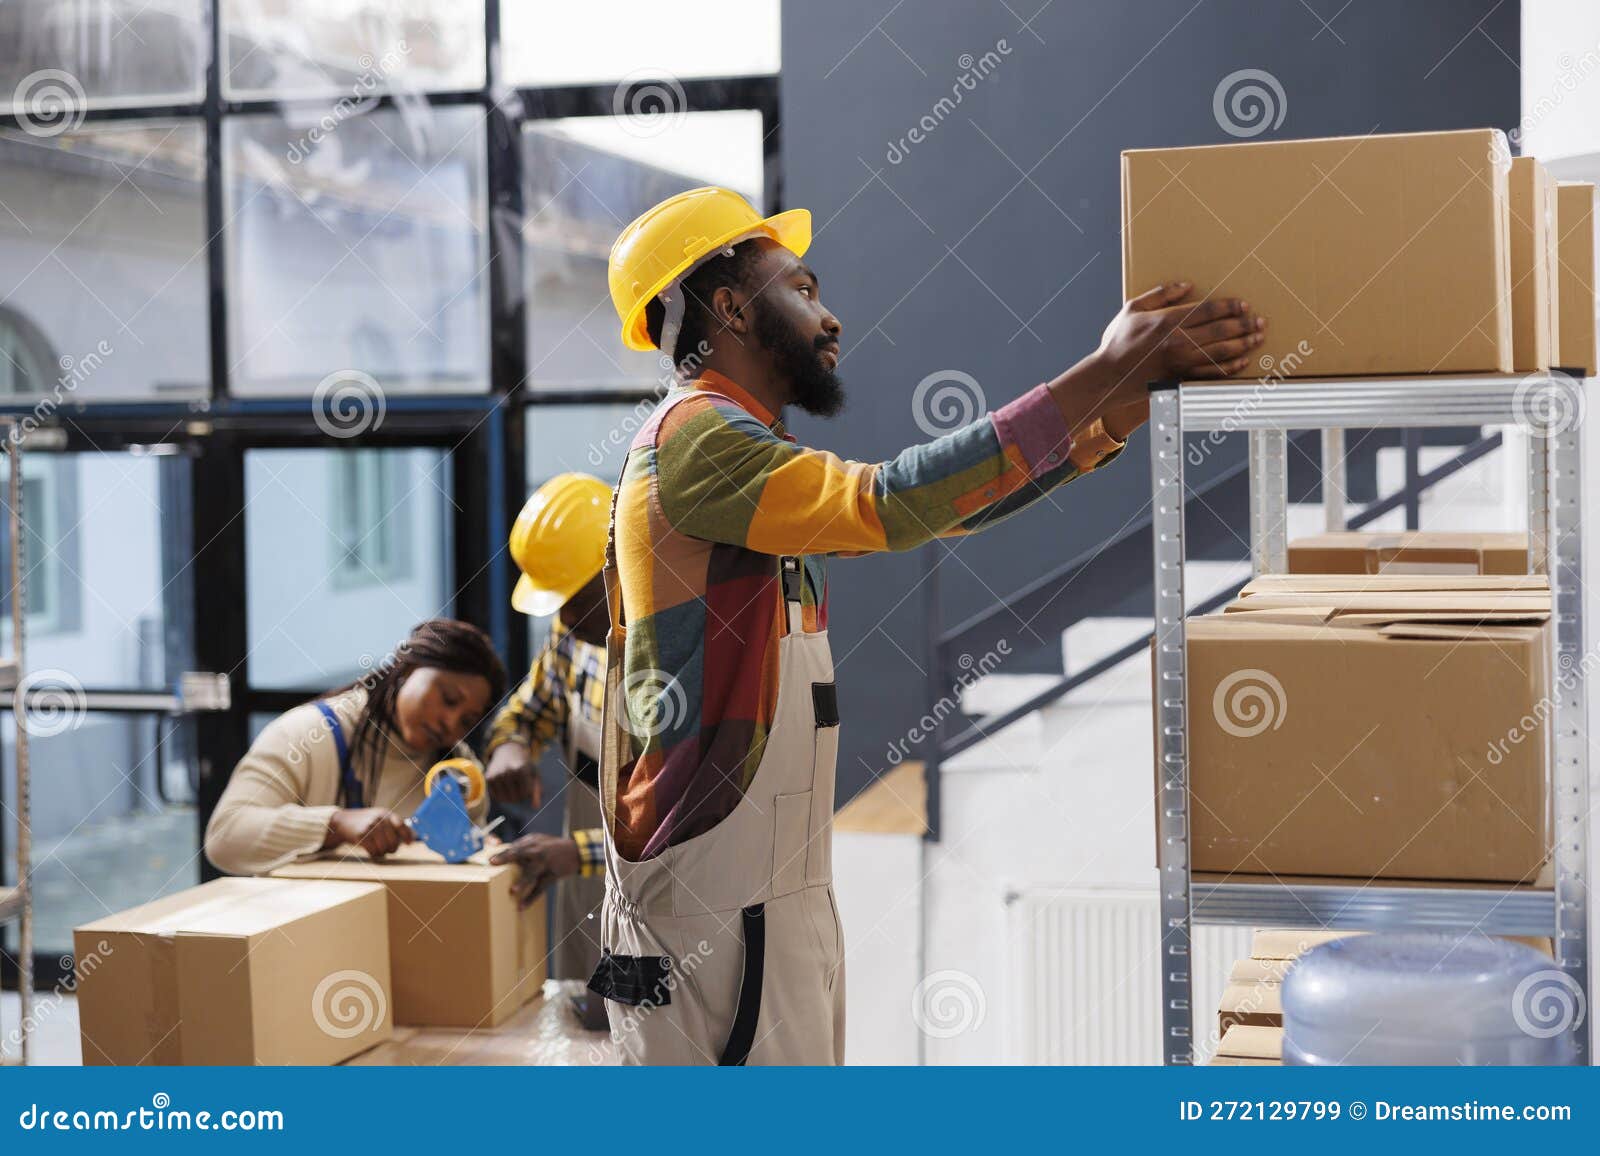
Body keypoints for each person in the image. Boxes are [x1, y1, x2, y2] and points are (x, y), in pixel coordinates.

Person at [590, 186, 1268, 1065]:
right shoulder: (695, 441)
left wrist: (1111, 416)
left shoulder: (746, 459)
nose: (829, 319)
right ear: (727, 307)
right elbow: (894, 500)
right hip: (717, 905)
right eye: (801, 291)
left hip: (763, 893)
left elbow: (925, 513)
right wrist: (1100, 373)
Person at [205, 619, 507, 876]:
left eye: (467, 721)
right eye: (448, 699)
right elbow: (224, 838)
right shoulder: (308, 734)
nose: (449, 723)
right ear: (408, 670)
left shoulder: (458, 771)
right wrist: (333, 825)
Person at [481, 473, 612, 988]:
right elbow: (527, 712)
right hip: (581, 892)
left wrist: (575, 853)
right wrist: (510, 748)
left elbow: (686, 829)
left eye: (575, 599)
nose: (565, 615)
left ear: (617, 568)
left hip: (663, 905)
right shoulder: (571, 637)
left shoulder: (673, 665)